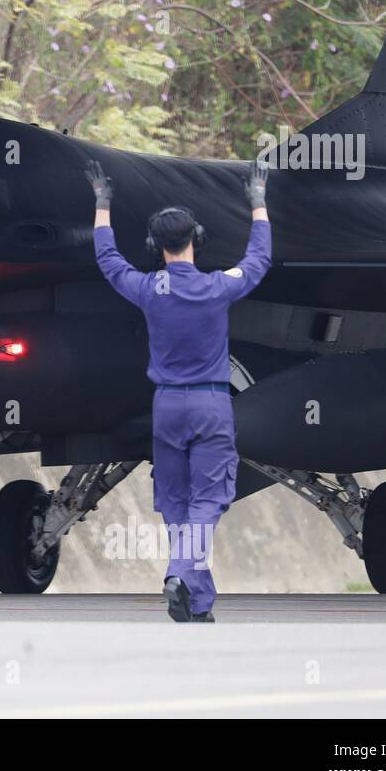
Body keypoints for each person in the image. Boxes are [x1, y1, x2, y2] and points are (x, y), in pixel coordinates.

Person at [84, 157, 271, 622]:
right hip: (210, 404)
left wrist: (102, 205)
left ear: (153, 246)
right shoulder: (216, 287)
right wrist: (258, 205)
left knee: (175, 502)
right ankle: (180, 573)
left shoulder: (148, 288)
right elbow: (258, 260)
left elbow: (108, 262)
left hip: (166, 406)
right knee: (208, 500)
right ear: (197, 240)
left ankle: (199, 603)